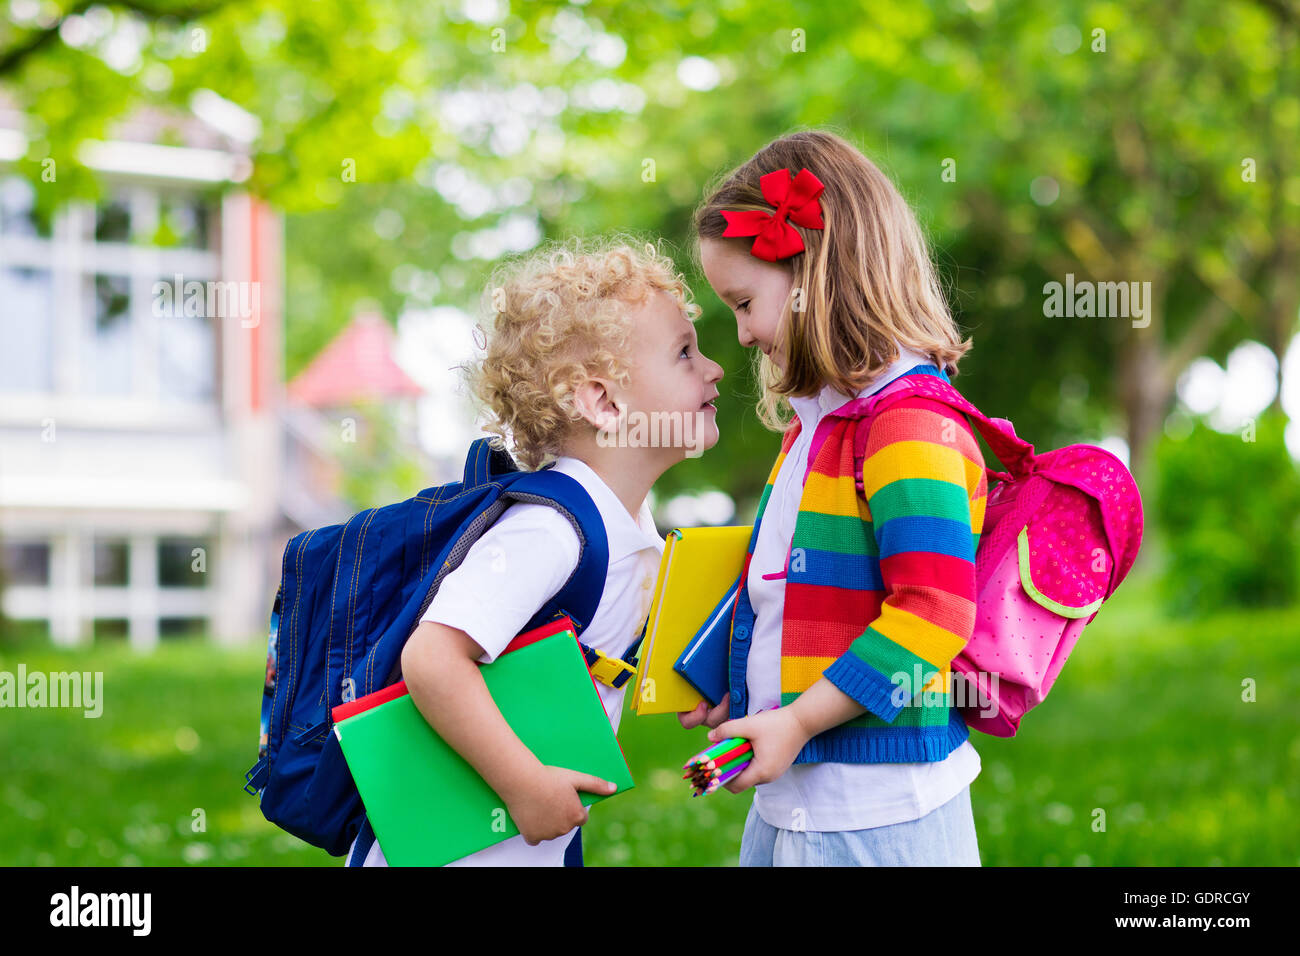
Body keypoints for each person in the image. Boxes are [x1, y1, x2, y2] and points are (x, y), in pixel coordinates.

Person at [347, 236, 724, 865]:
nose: (713, 368)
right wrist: (524, 785)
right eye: (684, 353)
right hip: (451, 848)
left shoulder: (628, 524)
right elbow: (434, 659)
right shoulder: (551, 532)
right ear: (603, 401)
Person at [684, 128, 985, 866]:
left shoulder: (908, 425)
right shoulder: (815, 429)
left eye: (744, 301)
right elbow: (792, 596)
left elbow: (935, 611)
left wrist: (798, 720)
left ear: (814, 273)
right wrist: (745, 689)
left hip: (882, 817)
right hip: (795, 803)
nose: (743, 335)